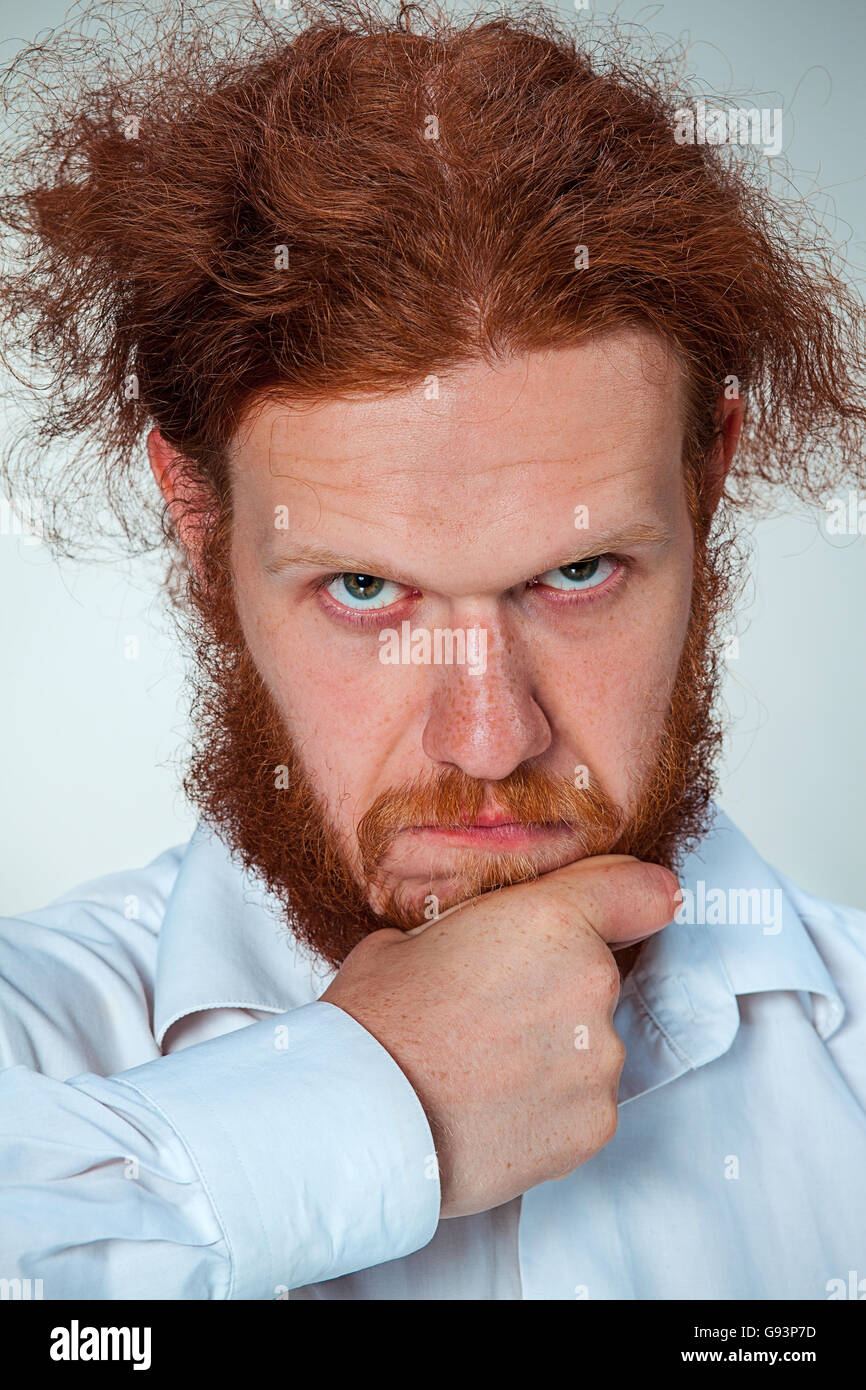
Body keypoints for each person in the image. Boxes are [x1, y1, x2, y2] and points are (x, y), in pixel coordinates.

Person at [0, 0, 864, 1300]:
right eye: (365, 587)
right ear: (197, 520)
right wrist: (378, 1096)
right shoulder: (40, 1033)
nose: (487, 735)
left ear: (707, 486)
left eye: (574, 573)